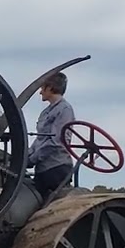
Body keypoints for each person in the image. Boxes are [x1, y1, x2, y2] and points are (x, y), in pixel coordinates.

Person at [26, 72, 76, 201]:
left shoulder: (64, 109)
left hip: (56, 169)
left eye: (42, 88)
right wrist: (26, 156)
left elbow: (56, 142)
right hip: (42, 169)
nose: (40, 92)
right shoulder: (45, 112)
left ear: (50, 87)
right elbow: (40, 139)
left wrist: (32, 159)